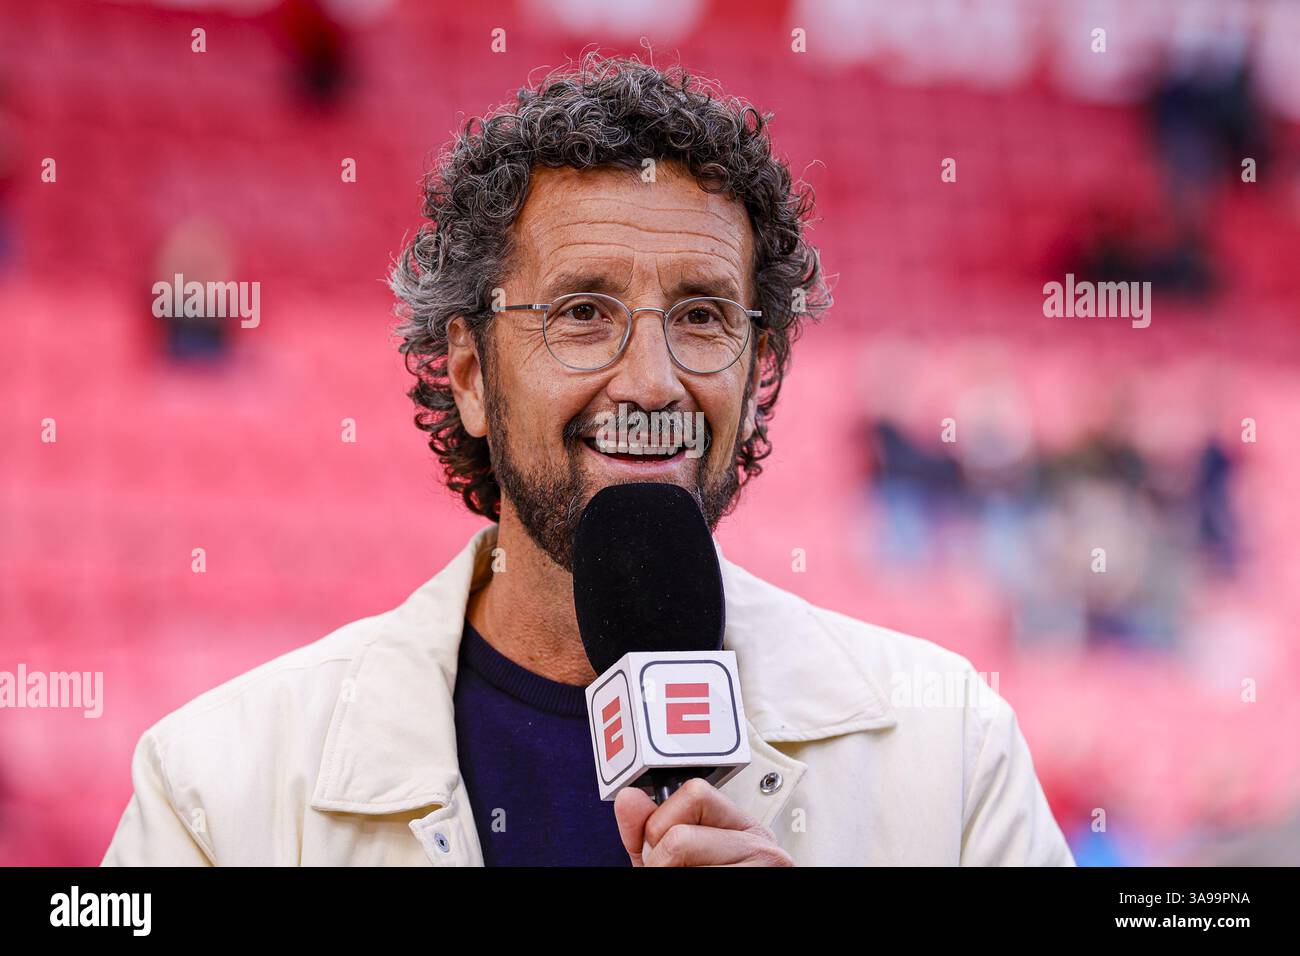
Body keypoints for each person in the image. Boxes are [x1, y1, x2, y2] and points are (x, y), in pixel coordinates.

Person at [102, 54, 1074, 867]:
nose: (651, 382)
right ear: (472, 373)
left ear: (759, 363)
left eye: (700, 316)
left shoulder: (948, 751)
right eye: (582, 313)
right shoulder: (218, 789)